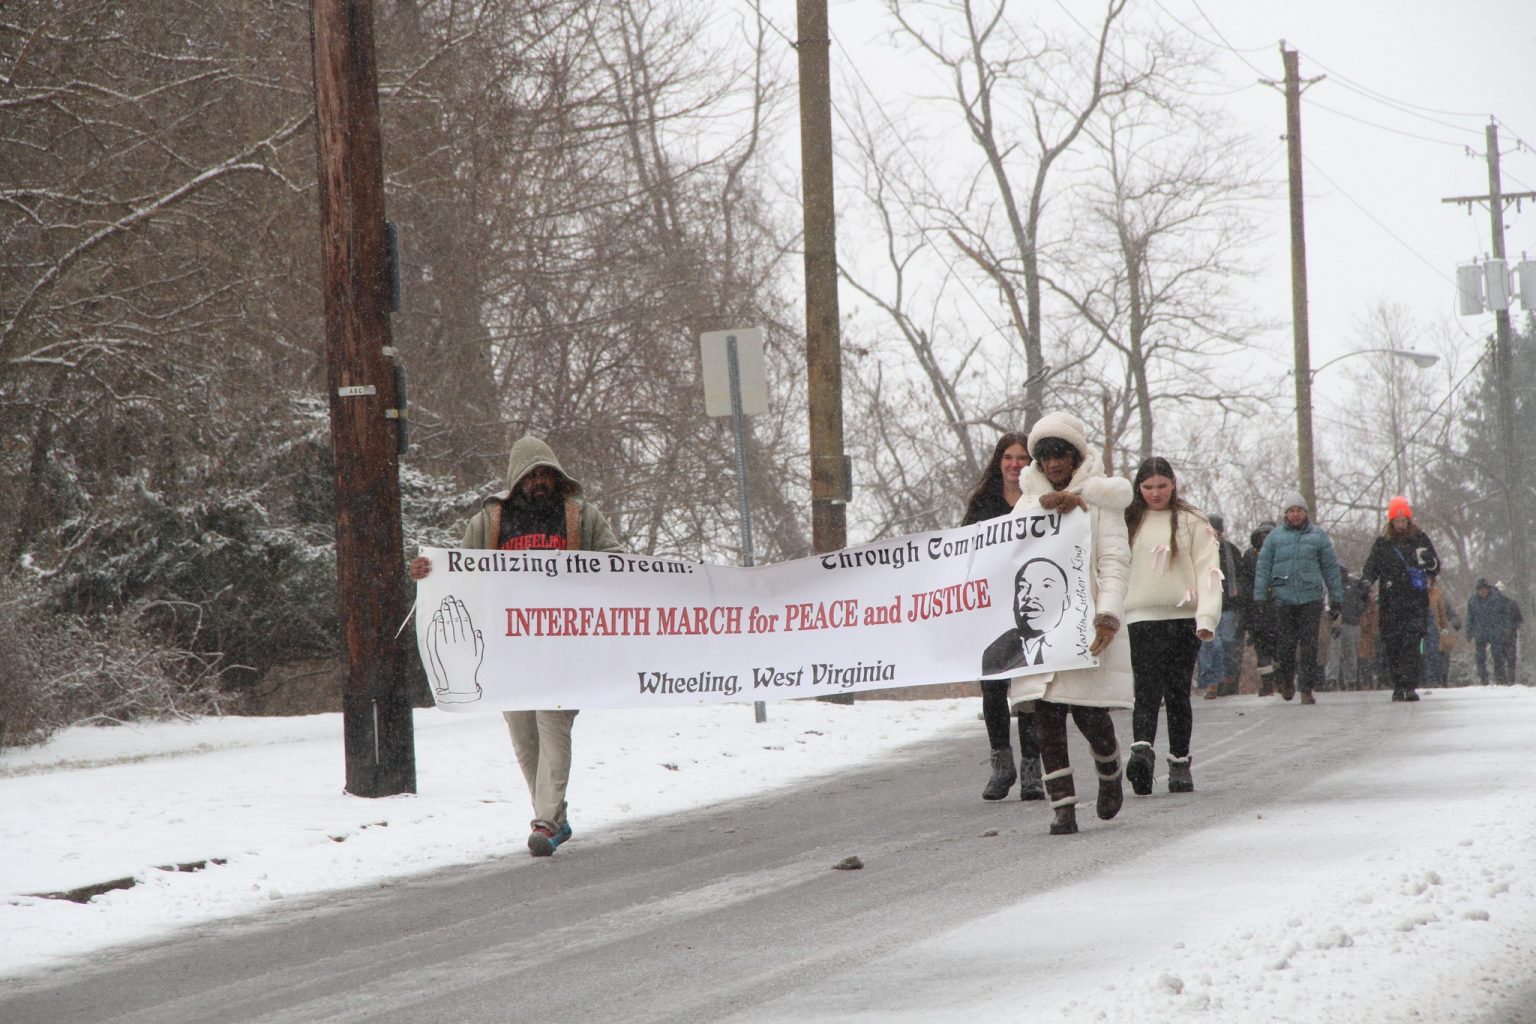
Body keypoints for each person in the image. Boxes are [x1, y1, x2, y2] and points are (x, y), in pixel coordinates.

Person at [409, 435, 621, 856]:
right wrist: (428, 572)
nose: (539, 481)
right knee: (526, 741)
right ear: (516, 480)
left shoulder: (581, 516)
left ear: (558, 477)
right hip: (506, 652)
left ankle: (543, 823)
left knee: (553, 728)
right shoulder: (489, 523)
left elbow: (617, 563)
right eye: (531, 474)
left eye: (546, 473)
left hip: (564, 647)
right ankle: (555, 820)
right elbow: (459, 571)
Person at [1008, 411, 1133, 835]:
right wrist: (1043, 511)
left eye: (1061, 455)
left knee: (1090, 715)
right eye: (1045, 458)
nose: (1054, 464)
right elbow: (1007, 558)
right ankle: (1062, 807)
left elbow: (1114, 562)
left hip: (1086, 625)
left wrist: (1109, 615)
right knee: (1045, 717)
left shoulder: (1102, 501)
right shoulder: (1025, 505)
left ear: (1075, 456)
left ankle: (1110, 769)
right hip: (1040, 631)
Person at [1123, 458, 1221, 795]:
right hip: (1139, 617)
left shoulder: (1192, 522)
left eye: (1162, 486)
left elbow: (1209, 570)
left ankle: (1180, 763)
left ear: (1173, 484)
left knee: (1178, 692)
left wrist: (1207, 617)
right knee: (1146, 691)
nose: (1155, 493)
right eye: (1148, 487)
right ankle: (1141, 753)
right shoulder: (1127, 520)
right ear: (1138, 488)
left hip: (1183, 619)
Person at [964, 432, 1044, 801]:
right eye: (1009, 457)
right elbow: (962, 553)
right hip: (992, 609)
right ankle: (1002, 765)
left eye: (1022, 458)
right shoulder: (982, 503)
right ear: (999, 462)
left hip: (1032, 607)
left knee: (1030, 691)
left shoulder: (1042, 501)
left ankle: (1032, 769)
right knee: (993, 685)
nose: (1015, 464)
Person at [1252, 492, 1343, 704]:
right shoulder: (1275, 537)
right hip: (1283, 598)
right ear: (1286, 514)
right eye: (1291, 511)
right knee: (1285, 645)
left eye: (1299, 510)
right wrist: (1259, 596)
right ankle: (1285, 680)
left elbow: (1330, 568)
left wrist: (1336, 598)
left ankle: (1306, 688)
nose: (1295, 514)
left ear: (1305, 513)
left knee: (1310, 646)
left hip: (1311, 598)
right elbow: (1263, 567)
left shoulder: (1318, 537)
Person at [1360, 495, 1440, 703]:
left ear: (1409, 520)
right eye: (1397, 520)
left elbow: (1435, 566)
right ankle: (1398, 684)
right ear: (1391, 521)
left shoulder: (1420, 540)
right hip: (1391, 602)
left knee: (1412, 642)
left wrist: (1430, 563)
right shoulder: (1382, 544)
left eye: (1404, 520)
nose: (1400, 524)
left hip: (1415, 601)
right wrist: (1367, 582)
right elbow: (1371, 567)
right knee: (1393, 644)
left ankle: (1410, 685)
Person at [1196, 513, 1245, 699]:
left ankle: (1228, 677)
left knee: (1228, 643)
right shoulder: (1198, 551)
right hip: (1205, 606)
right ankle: (1211, 683)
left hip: (1228, 606)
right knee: (1208, 644)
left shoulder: (1231, 551)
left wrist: (1240, 601)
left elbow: (1240, 577)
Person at [1239, 522, 1277, 694]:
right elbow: (1244, 586)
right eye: (1262, 536)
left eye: (1269, 535)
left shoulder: (1282, 554)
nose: (1265, 539)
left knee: (1281, 647)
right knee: (1262, 649)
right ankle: (1267, 683)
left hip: (1279, 609)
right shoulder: (1249, 556)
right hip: (1257, 611)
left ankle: (1282, 679)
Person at [1467, 578, 1516, 685]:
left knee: (1498, 656)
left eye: (1483, 589)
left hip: (1496, 632)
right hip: (1480, 633)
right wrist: (1469, 631)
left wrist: (1506, 627)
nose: (1482, 591)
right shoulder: (1473, 601)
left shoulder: (1498, 598)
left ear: (1488, 588)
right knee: (1480, 658)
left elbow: (1505, 614)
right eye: (1479, 589)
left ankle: (1500, 679)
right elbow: (1470, 617)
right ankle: (1484, 680)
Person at [1324, 568, 1366, 690]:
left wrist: (1358, 612)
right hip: (1336, 622)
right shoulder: (1331, 584)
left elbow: (1364, 598)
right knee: (1334, 652)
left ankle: (1350, 680)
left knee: (1349, 652)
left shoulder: (1353, 583)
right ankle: (1333, 679)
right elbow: (1327, 603)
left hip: (1350, 622)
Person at [1422, 580, 1461, 686]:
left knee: (1439, 655)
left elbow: (1447, 611)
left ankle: (1439, 679)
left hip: (1437, 632)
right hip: (1420, 632)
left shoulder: (1438, 595)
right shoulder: (1414, 594)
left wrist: (1452, 622)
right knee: (1422, 654)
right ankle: (1425, 680)